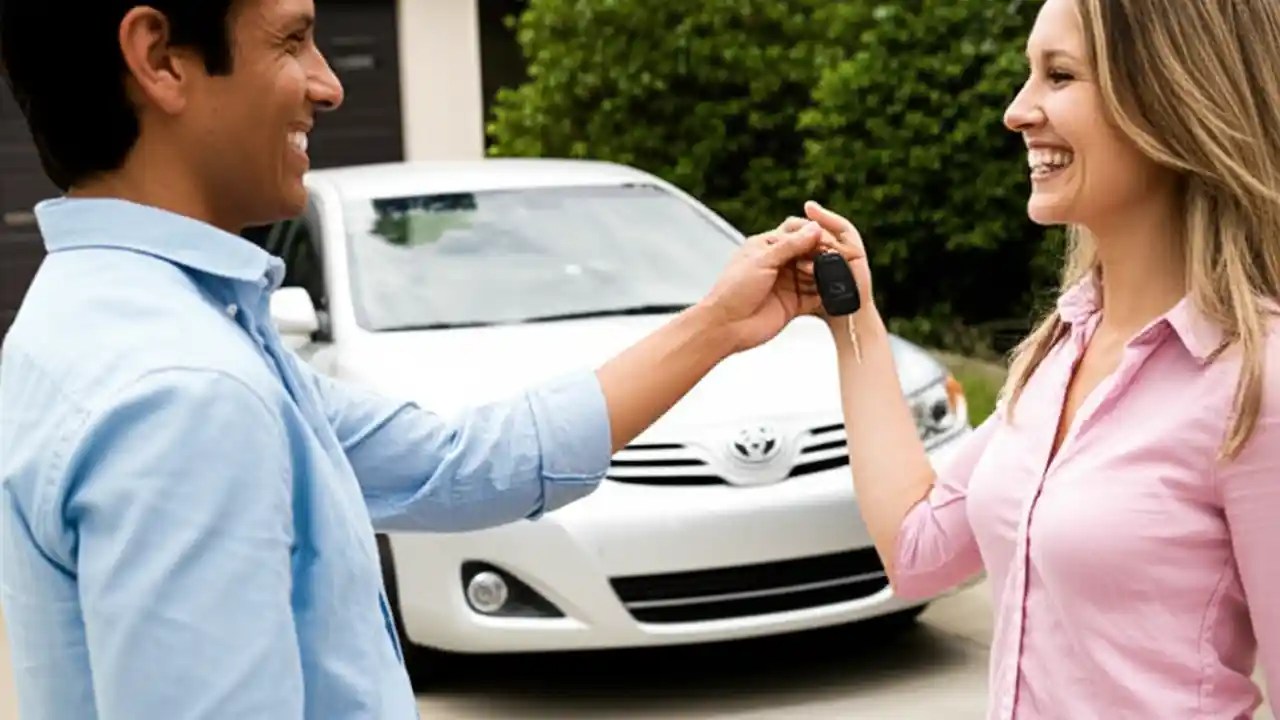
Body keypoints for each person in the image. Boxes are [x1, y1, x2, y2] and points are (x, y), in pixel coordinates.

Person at [0, 1, 831, 718]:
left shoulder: (92, 318)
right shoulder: (185, 393)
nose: (329, 85)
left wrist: (719, 324)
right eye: (291, 41)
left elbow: (455, 463)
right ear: (158, 59)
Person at [796, 0, 1280, 717]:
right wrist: (853, 322)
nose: (1017, 112)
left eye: (1059, 76)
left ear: (1170, 97)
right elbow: (917, 546)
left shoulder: (1255, 381)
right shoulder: (1064, 349)